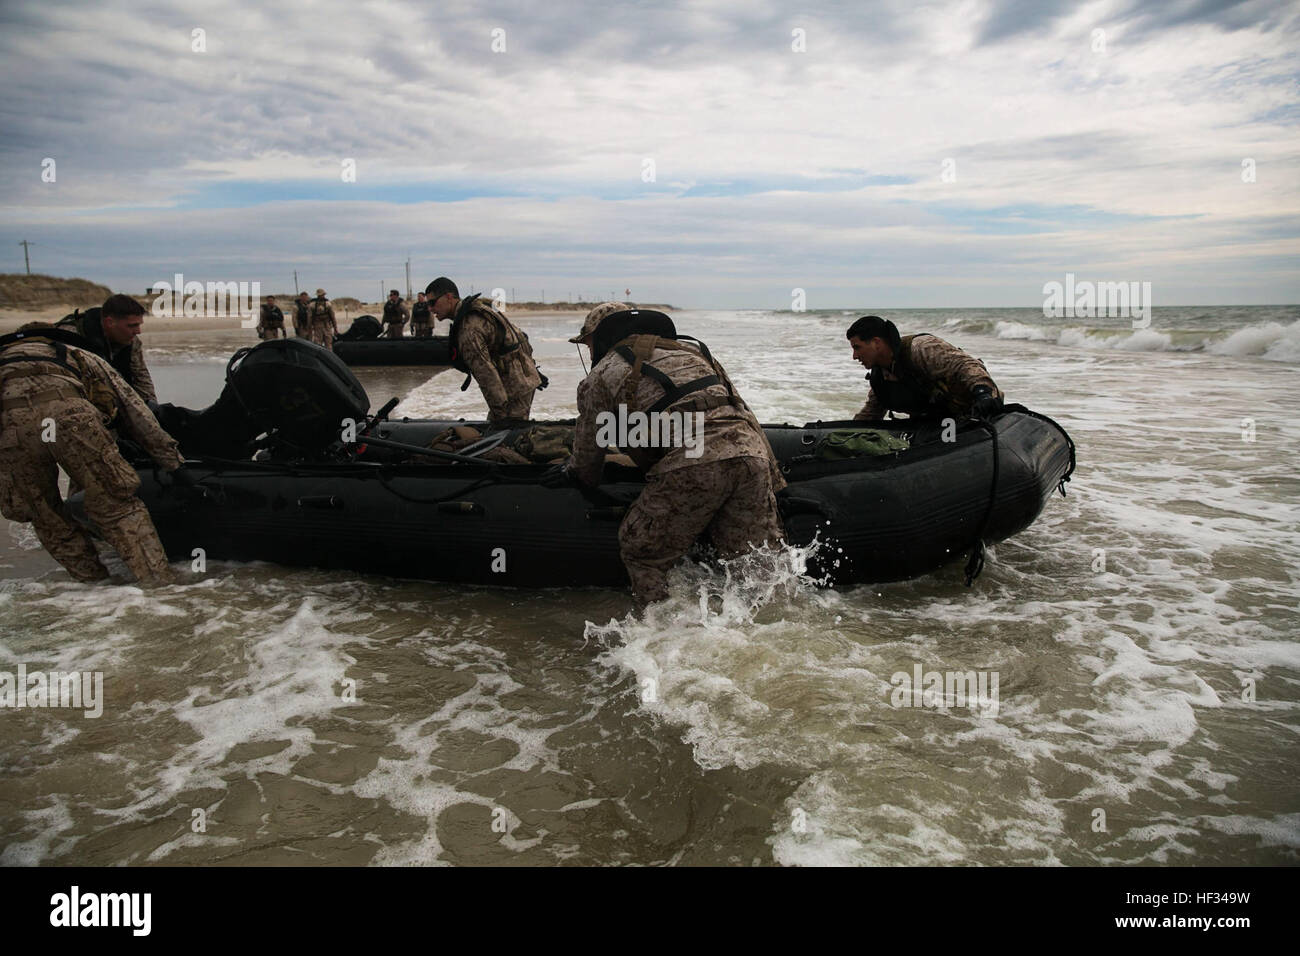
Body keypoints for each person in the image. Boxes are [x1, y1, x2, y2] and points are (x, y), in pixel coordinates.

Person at [554, 302, 786, 605]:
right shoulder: (694, 353)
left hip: (695, 461)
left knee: (640, 550)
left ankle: (662, 630)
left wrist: (571, 474)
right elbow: (741, 410)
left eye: (587, 343)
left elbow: (587, 461)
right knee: (754, 562)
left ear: (600, 337)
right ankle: (772, 617)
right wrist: (775, 480)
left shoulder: (601, 374)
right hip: (749, 454)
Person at [0, 324, 195, 585]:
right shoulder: (76, 353)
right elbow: (136, 413)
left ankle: (96, 586)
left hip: (9, 433)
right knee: (118, 507)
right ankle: (158, 585)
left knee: (46, 517)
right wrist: (175, 465)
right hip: (73, 422)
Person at [426, 277, 543, 427]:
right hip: (521, 378)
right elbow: (517, 336)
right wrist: (531, 369)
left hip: (514, 387)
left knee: (508, 433)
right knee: (508, 428)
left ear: (449, 297)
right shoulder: (480, 307)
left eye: (432, 302)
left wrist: (499, 414)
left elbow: (486, 374)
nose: (430, 308)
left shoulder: (468, 328)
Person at [847, 315, 1003, 421]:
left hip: (976, 414)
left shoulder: (921, 348)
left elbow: (966, 365)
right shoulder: (881, 377)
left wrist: (983, 394)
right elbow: (872, 413)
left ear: (876, 342)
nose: (854, 356)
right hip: (936, 424)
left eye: (857, 347)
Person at [57, 293, 157, 403]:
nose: (138, 331)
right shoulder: (69, 337)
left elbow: (141, 379)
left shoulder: (132, 341)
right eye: (132, 325)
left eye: (139, 325)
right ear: (110, 322)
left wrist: (152, 411)